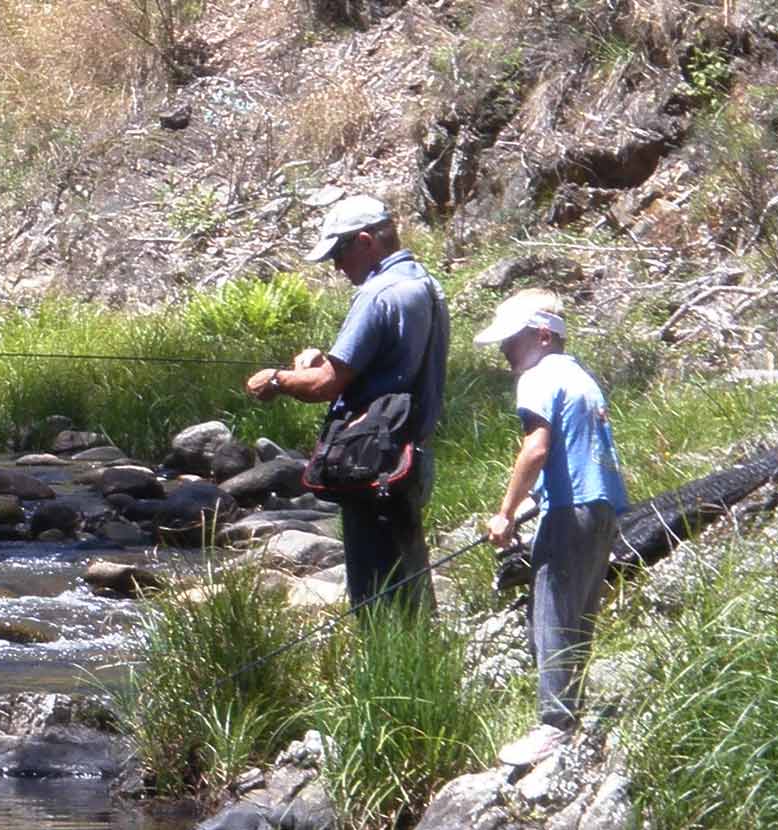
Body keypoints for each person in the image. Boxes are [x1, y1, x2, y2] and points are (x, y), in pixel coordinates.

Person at [245, 194, 449, 612]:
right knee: (408, 585)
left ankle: (387, 670)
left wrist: (277, 380)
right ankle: (416, 664)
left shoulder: (377, 294)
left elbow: (325, 384)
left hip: (374, 465)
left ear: (365, 241)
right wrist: (324, 360)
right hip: (410, 458)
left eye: (340, 252)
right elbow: (377, 367)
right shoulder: (423, 283)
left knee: (375, 598)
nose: (337, 266)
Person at [476, 289, 629, 768]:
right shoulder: (581, 376)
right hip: (603, 508)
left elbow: (536, 449)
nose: (505, 352)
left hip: (570, 510)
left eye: (512, 341)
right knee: (580, 616)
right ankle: (570, 717)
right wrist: (535, 502)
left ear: (543, 335)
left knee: (551, 616)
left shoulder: (538, 377)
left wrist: (504, 513)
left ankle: (552, 727)